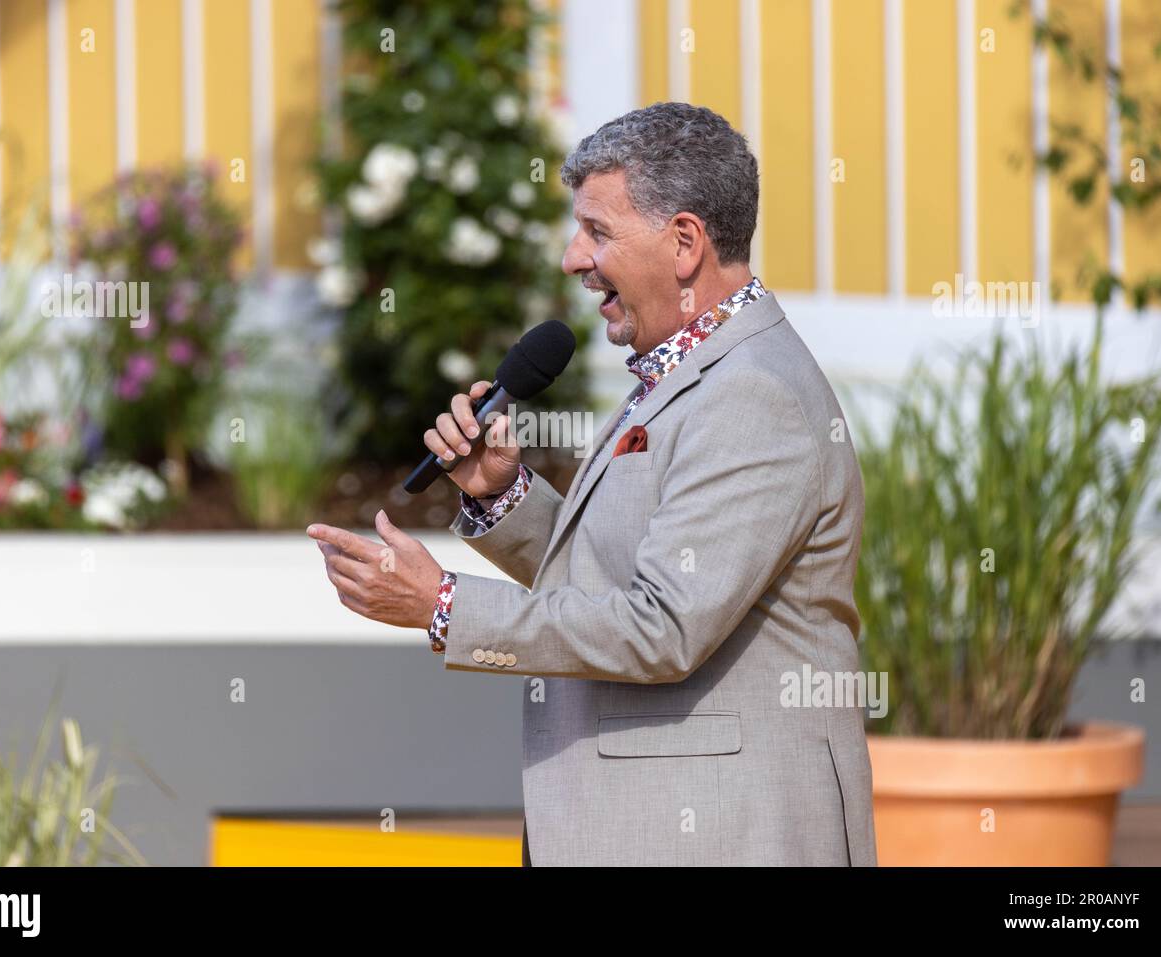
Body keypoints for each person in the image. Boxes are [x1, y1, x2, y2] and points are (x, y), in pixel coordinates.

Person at [308, 102, 877, 866]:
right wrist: (503, 494)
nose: (574, 258)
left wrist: (444, 605)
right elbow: (623, 571)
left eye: (597, 231)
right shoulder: (685, 367)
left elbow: (664, 627)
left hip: (721, 836)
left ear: (684, 243)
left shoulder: (753, 394)